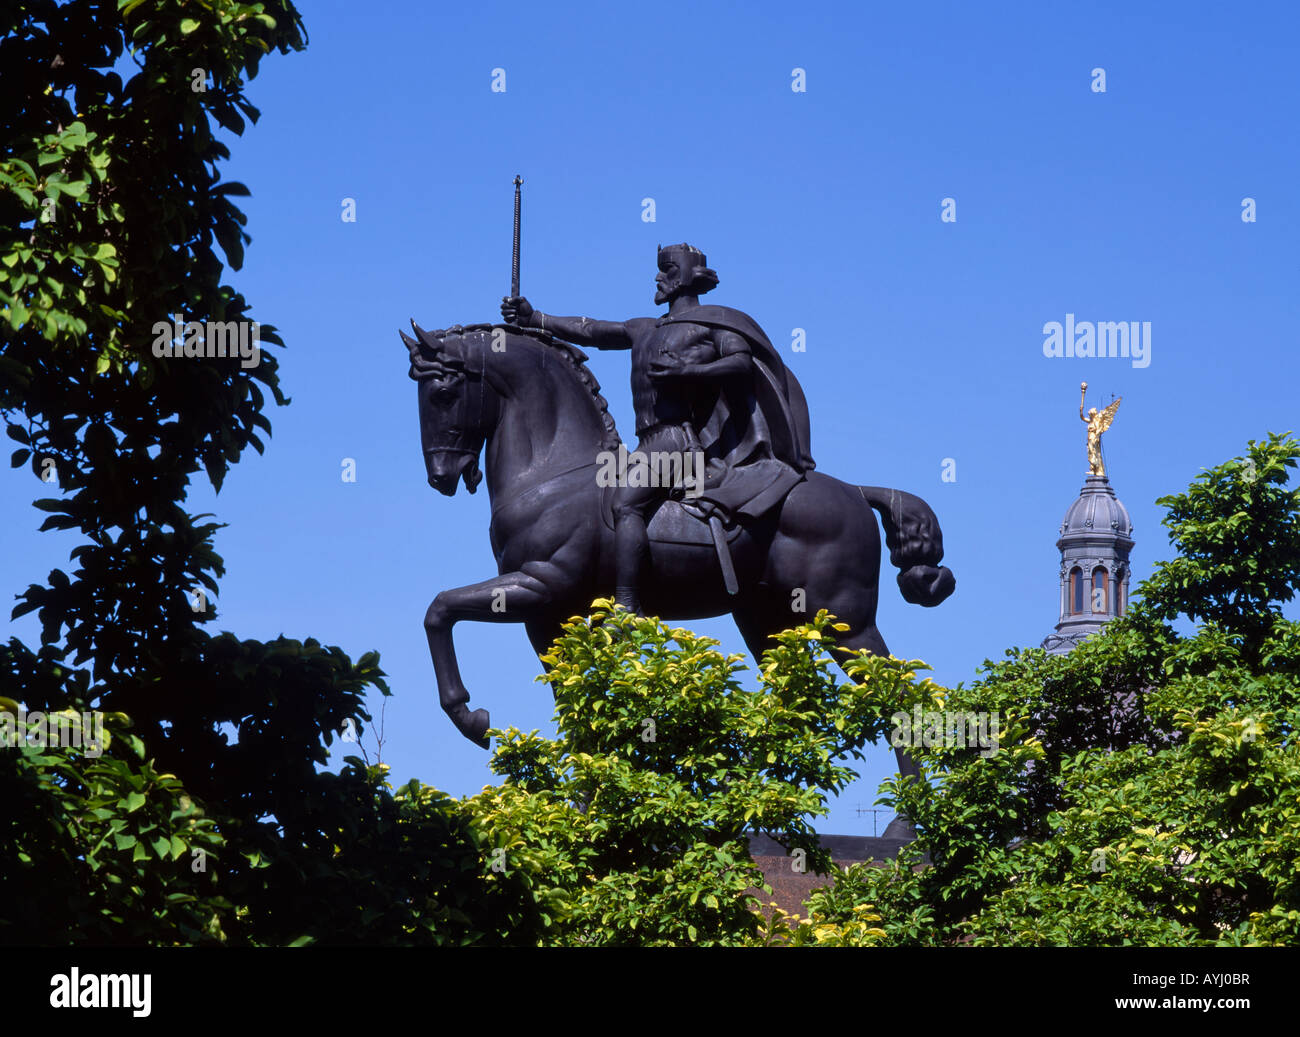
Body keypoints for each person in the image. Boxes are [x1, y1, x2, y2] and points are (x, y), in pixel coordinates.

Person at [501, 243, 814, 614]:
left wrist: (690, 372)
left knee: (625, 502)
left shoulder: (712, 323)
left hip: (677, 441)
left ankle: (628, 606)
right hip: (647, 443)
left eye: (667, 270)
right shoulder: (643, 329)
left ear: (687, 278)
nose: (658, 277)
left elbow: (741, 362)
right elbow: (592, 330)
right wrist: (535, 317)